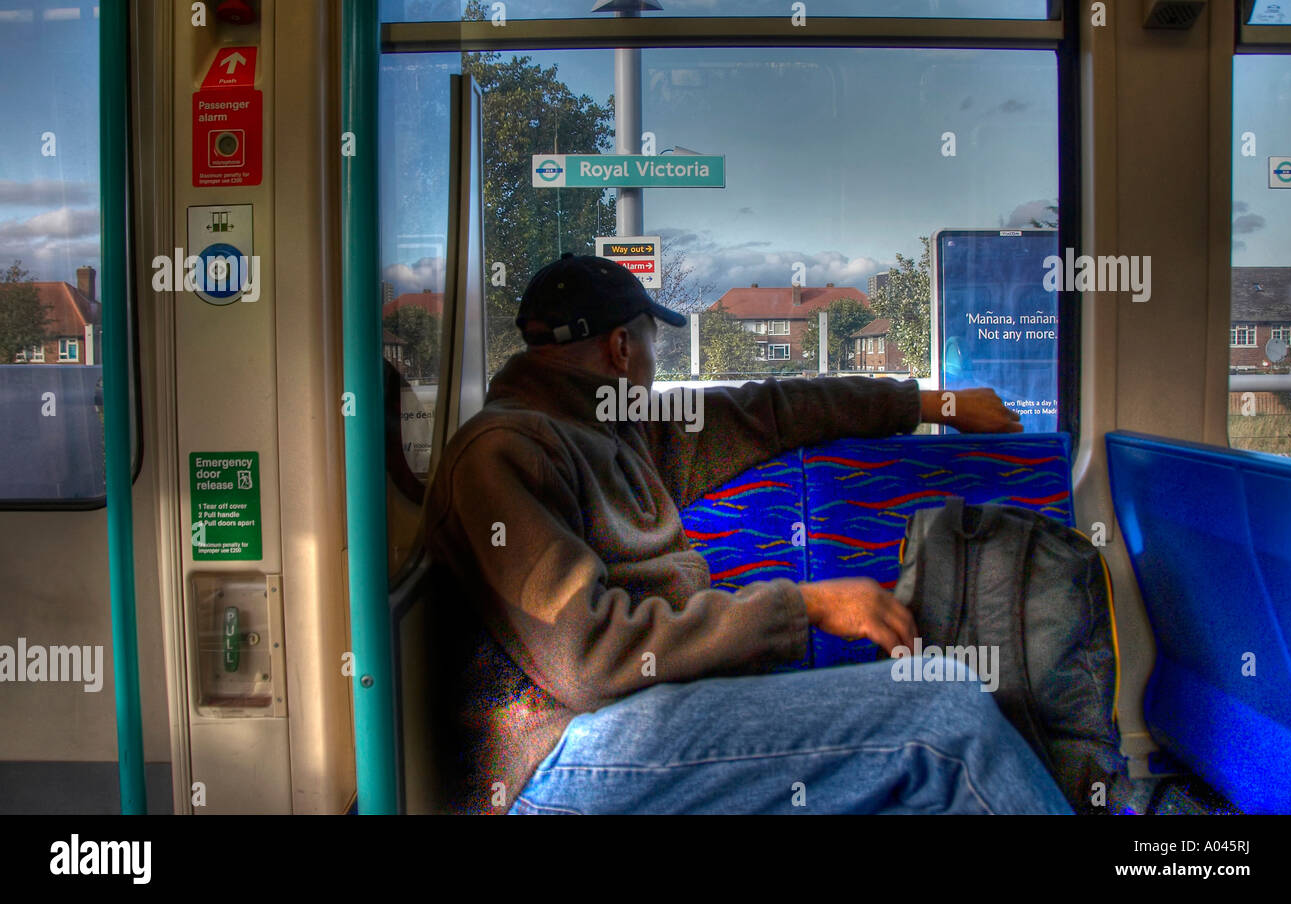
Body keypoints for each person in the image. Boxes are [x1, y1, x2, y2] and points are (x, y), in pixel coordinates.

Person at [424, 253, 1072, 815]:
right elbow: (590, 657)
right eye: (654, 343)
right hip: (553, 756)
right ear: (622, 348)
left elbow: (772, 410)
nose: (656, 362)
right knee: (942, 712)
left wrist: (932, 405)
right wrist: (809, 603)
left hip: (627, 719)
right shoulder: (502, 453)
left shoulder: (622, 430)